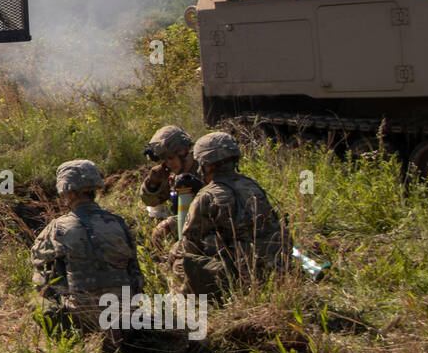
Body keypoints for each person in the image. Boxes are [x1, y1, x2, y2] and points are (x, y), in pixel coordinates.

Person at [169, 131, 290, 299]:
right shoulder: (253, 185)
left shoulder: (206, 196)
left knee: (177, 256)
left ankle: (183, 295)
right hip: (272, 267)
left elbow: (190, 244)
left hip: (237, 277)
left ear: (208, 165)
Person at [30, 159, 144, 336]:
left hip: (83, 318)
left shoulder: (57, 227)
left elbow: (37, 262)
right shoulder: (118, 223)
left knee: (37, 301)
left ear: (68, 192)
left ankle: (68, 339)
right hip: (126, 317)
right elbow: (135, 272)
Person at [140, 125, 199, 255]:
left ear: (185, 150)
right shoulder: (171, 176)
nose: (169, 164)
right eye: (165, 160)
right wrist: (153, 183)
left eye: (171, 158)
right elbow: (150, 202)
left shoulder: (204, 168)